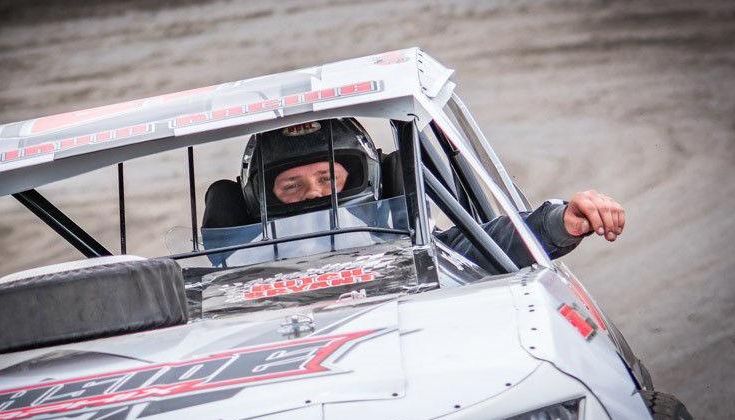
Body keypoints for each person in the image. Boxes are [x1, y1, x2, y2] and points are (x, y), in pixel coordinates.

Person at [210, 118, 625, 269]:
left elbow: (486, 244)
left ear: (365, 178)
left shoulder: (412, 250)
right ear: (259, 199)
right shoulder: (225, 284)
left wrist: (558, 221)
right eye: (292, 186)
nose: (314, 194)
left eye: (327, 179)